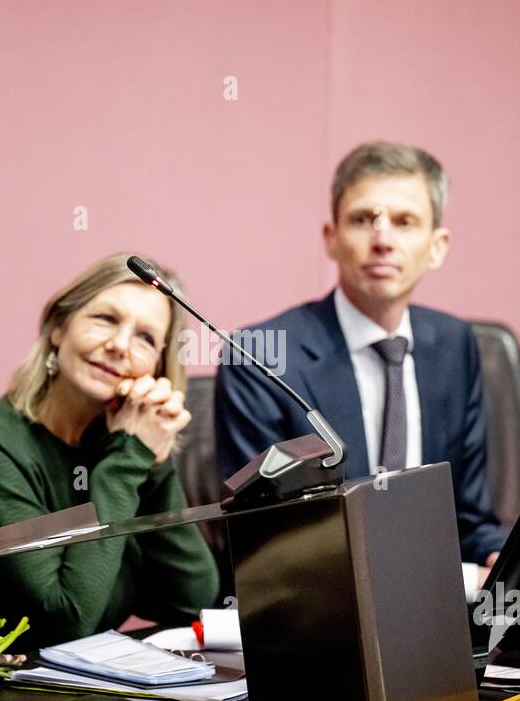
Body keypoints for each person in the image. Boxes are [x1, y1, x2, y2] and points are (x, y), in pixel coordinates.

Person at [214, 140, 505, 591]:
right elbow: (266, 543)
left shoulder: (454, 345)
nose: (383, 239)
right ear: (330, 239)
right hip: (320, 611)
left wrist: (507, 561)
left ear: (437, 246)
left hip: (439, 613)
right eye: (363, 220)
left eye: (405, 222)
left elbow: (469, 515)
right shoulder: (259, 355)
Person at [0, 254, 219, 649]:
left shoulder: (119, 448)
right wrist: (130, 458)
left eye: (145, 338)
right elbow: (66, 618)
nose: (120, 345)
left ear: (158, 366)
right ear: (58, 327)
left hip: (83, 695)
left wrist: (152, 463)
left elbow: (193, 600)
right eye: (105, 319)